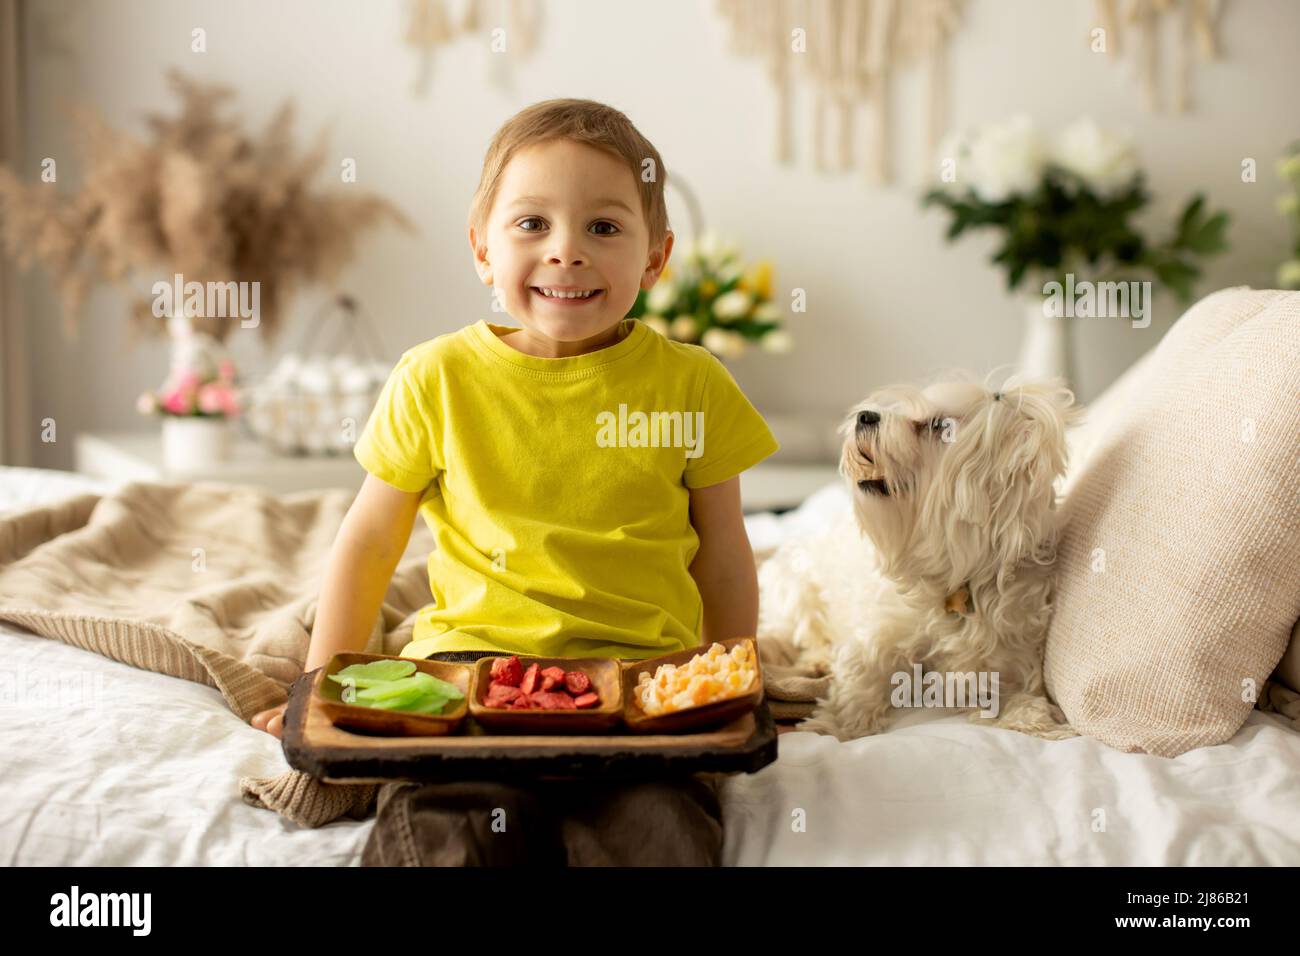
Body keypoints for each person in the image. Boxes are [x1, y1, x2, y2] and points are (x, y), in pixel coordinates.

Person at [252, 97, 779, 866]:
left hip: (638, 682)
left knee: (659, 832)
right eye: (533, 224)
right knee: (448, 832)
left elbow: (724, 553)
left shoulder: (693, 384)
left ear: (656, 259)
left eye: (603, 227)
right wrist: (318, 688)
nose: (566, 252)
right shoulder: (435, 378)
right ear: (482, 251)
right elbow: (368, 540)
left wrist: (731, 685)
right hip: (468, 676)